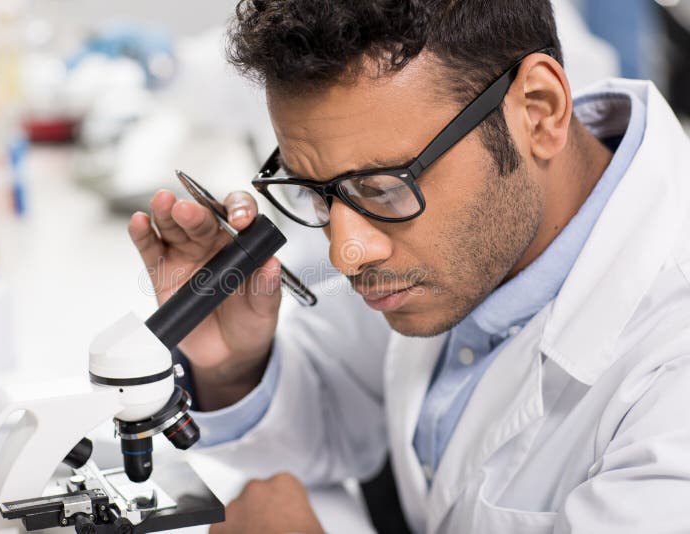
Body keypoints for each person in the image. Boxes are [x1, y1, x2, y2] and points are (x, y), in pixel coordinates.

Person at [127, 1, 690, 532]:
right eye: (318, 194)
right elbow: (338, 412)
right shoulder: (448, 246)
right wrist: (232, 364)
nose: (344, 254)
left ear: (538, 113)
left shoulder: (671, 367)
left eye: (383, 187)